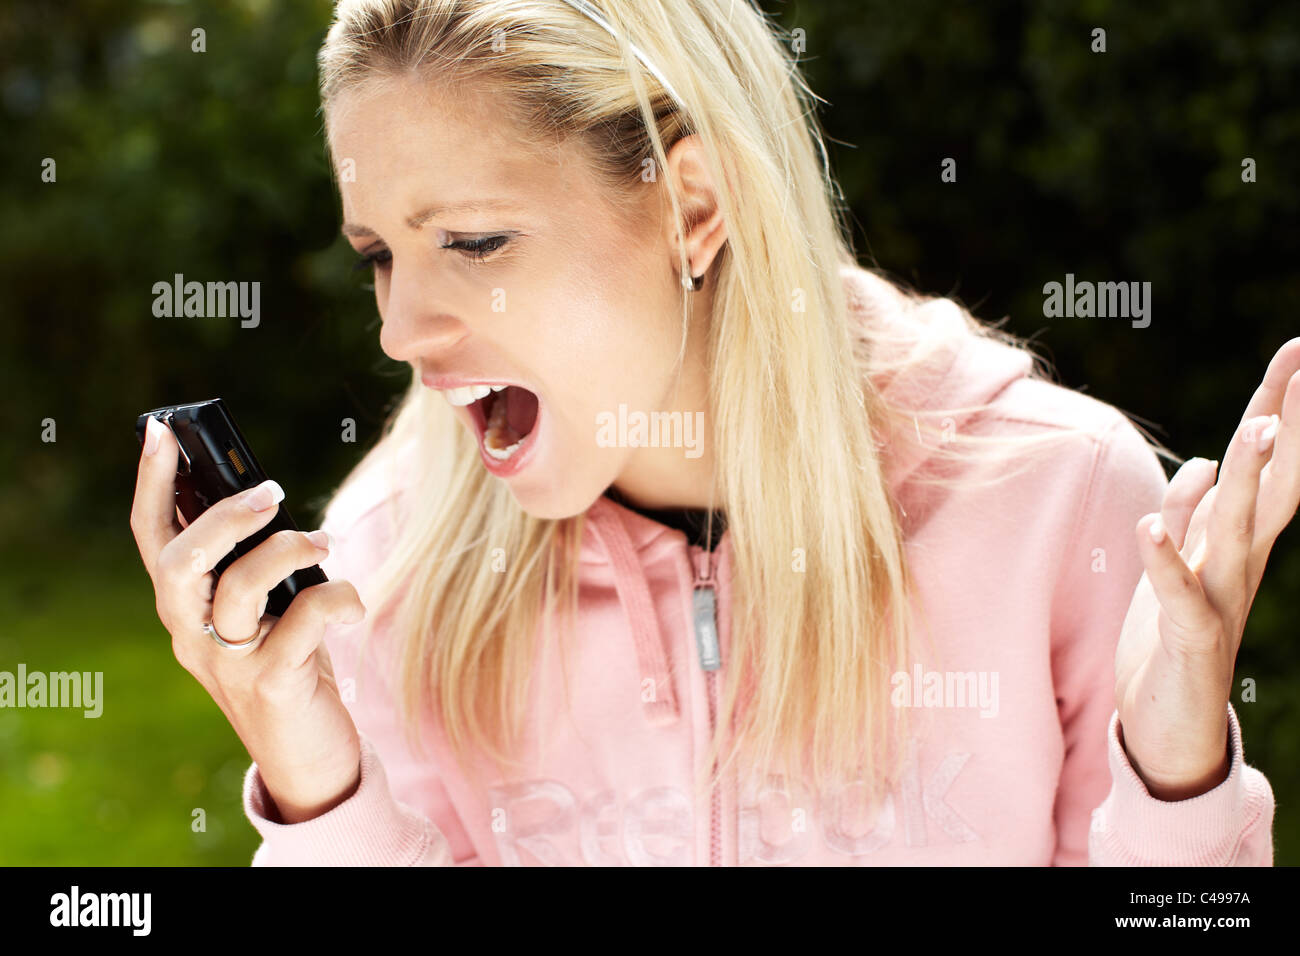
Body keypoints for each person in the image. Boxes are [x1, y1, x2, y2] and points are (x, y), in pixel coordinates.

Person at [130, 0, 1291, 866]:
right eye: (379, 254)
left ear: (693, 204)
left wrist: (1176, 769)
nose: (398, 329)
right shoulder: (388, 562)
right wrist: (314, 776)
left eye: (474, 243)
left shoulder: (1060, 497)